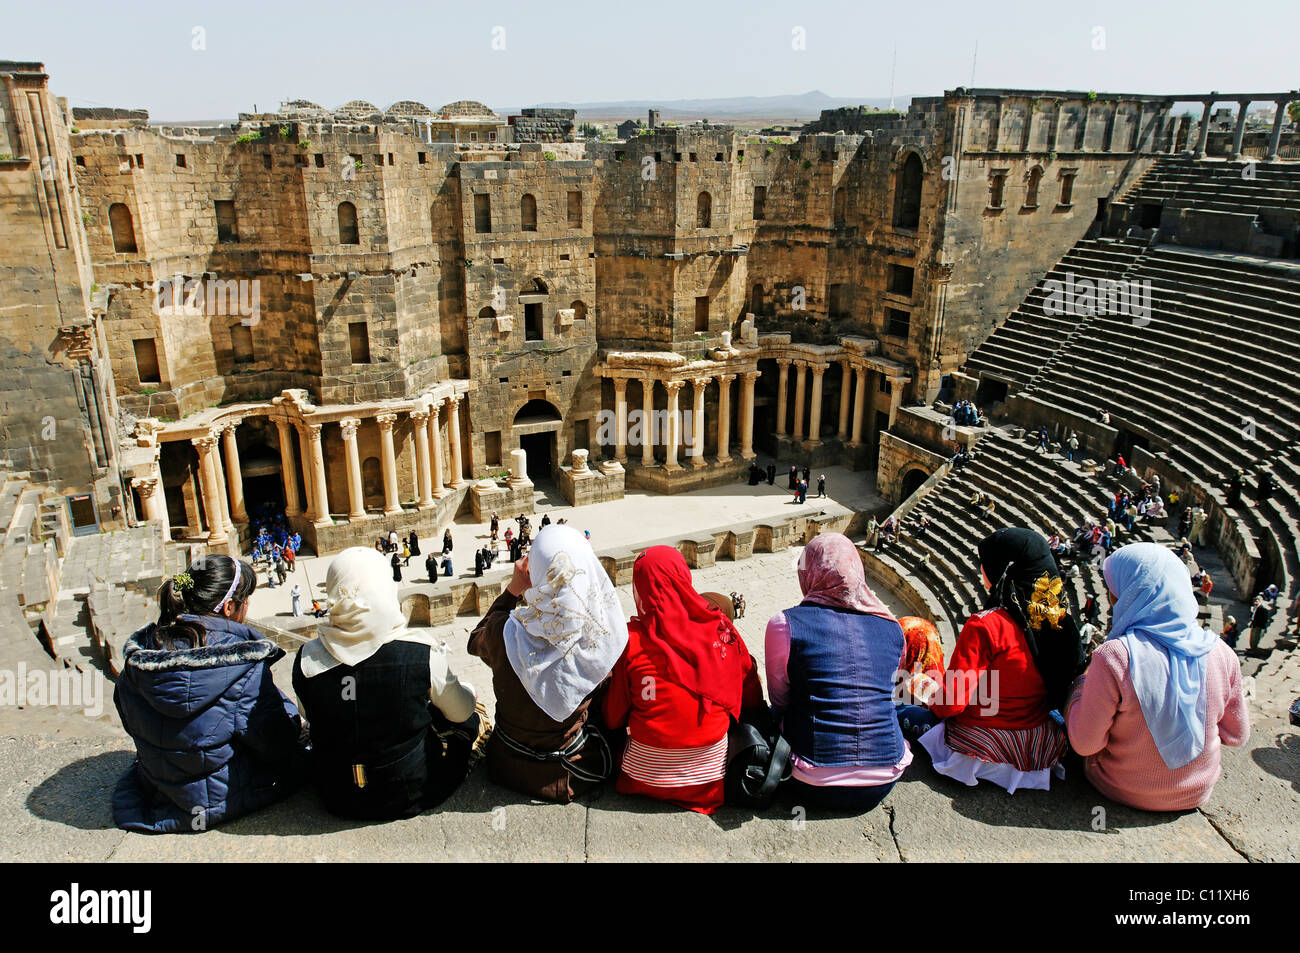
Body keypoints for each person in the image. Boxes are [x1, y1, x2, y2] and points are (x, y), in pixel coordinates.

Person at [113, 555, 308, 833]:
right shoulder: (242, 664)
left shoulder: (142, 653)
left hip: (158, 788)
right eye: (246, 600)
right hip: (220, 797)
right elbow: (277, 743)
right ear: (230, 607)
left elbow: (128, 717)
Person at [292, 548, 487, 820]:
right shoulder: (420, 654)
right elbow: (462, 712)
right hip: (410, 793)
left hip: (336, 795)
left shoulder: (307, 660)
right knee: (470, 716)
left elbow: (307, 713)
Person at [1065, 543, 1249, 811]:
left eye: (1114, 590)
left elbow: (1085, 744)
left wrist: (1080, 686)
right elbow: (1237, 735)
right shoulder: (1222, 653)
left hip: (1119, 786)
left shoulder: (1115, 656)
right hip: (1196, 790)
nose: (1112, 599)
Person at [468, 524, 627, 802]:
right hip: (571, 772)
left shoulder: (505, 632)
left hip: (506, 762)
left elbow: (474, 642)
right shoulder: (594, 637)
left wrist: (514, 589)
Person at [919, 528, 1085, 793]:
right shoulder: (1061, 623)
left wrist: (927, 690)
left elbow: (949, 705)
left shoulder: (986, 626)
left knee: (906, 707)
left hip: (984, 747)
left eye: (985, 564)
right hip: (1038, 745)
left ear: (1001, 572)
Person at [605, 546, 764, 814]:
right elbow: (752, 697)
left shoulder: (631, 639)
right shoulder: (721, 629)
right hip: (709, 783)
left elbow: (612, 717)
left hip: (641, 778)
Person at [762, 534, 911, 810]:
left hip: (811, 780)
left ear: (808, 572)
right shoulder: (892, 629)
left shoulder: (784, 624)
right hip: (883, 779)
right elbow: (889, 694)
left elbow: (780, 698)